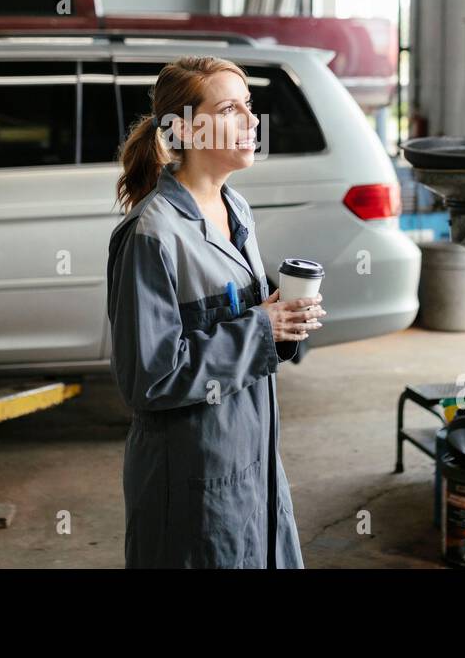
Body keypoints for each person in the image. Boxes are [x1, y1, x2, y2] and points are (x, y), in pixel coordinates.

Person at [106, 55, 325, 568]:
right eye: (230, 109)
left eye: (249, 106)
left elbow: (238, 328)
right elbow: (149, 378)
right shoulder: (152, 235)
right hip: (191, 473)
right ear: (182, 127)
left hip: (253, 458)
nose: (252, 121)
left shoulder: (235, 208)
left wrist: (282, 322)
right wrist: (260, 330)